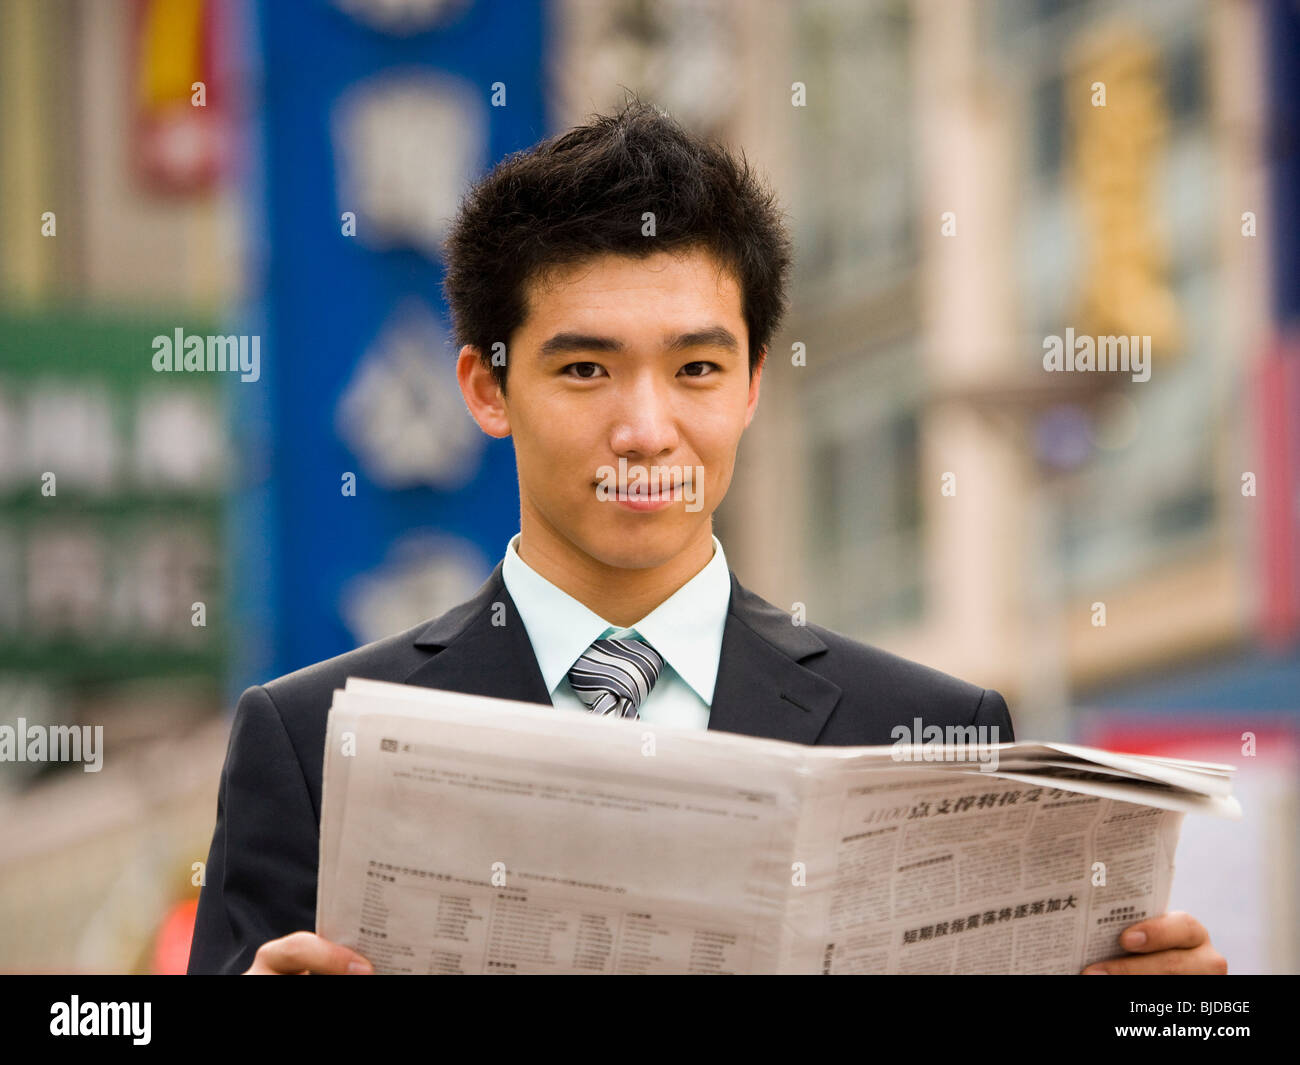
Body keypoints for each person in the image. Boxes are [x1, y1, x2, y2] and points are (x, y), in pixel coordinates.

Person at [187, 100, 1227, 976]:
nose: (647, 429)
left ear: (752, 385)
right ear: (486, 387)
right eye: (585, 370)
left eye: (695, 369)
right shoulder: (311, 742)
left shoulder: (935, 733)